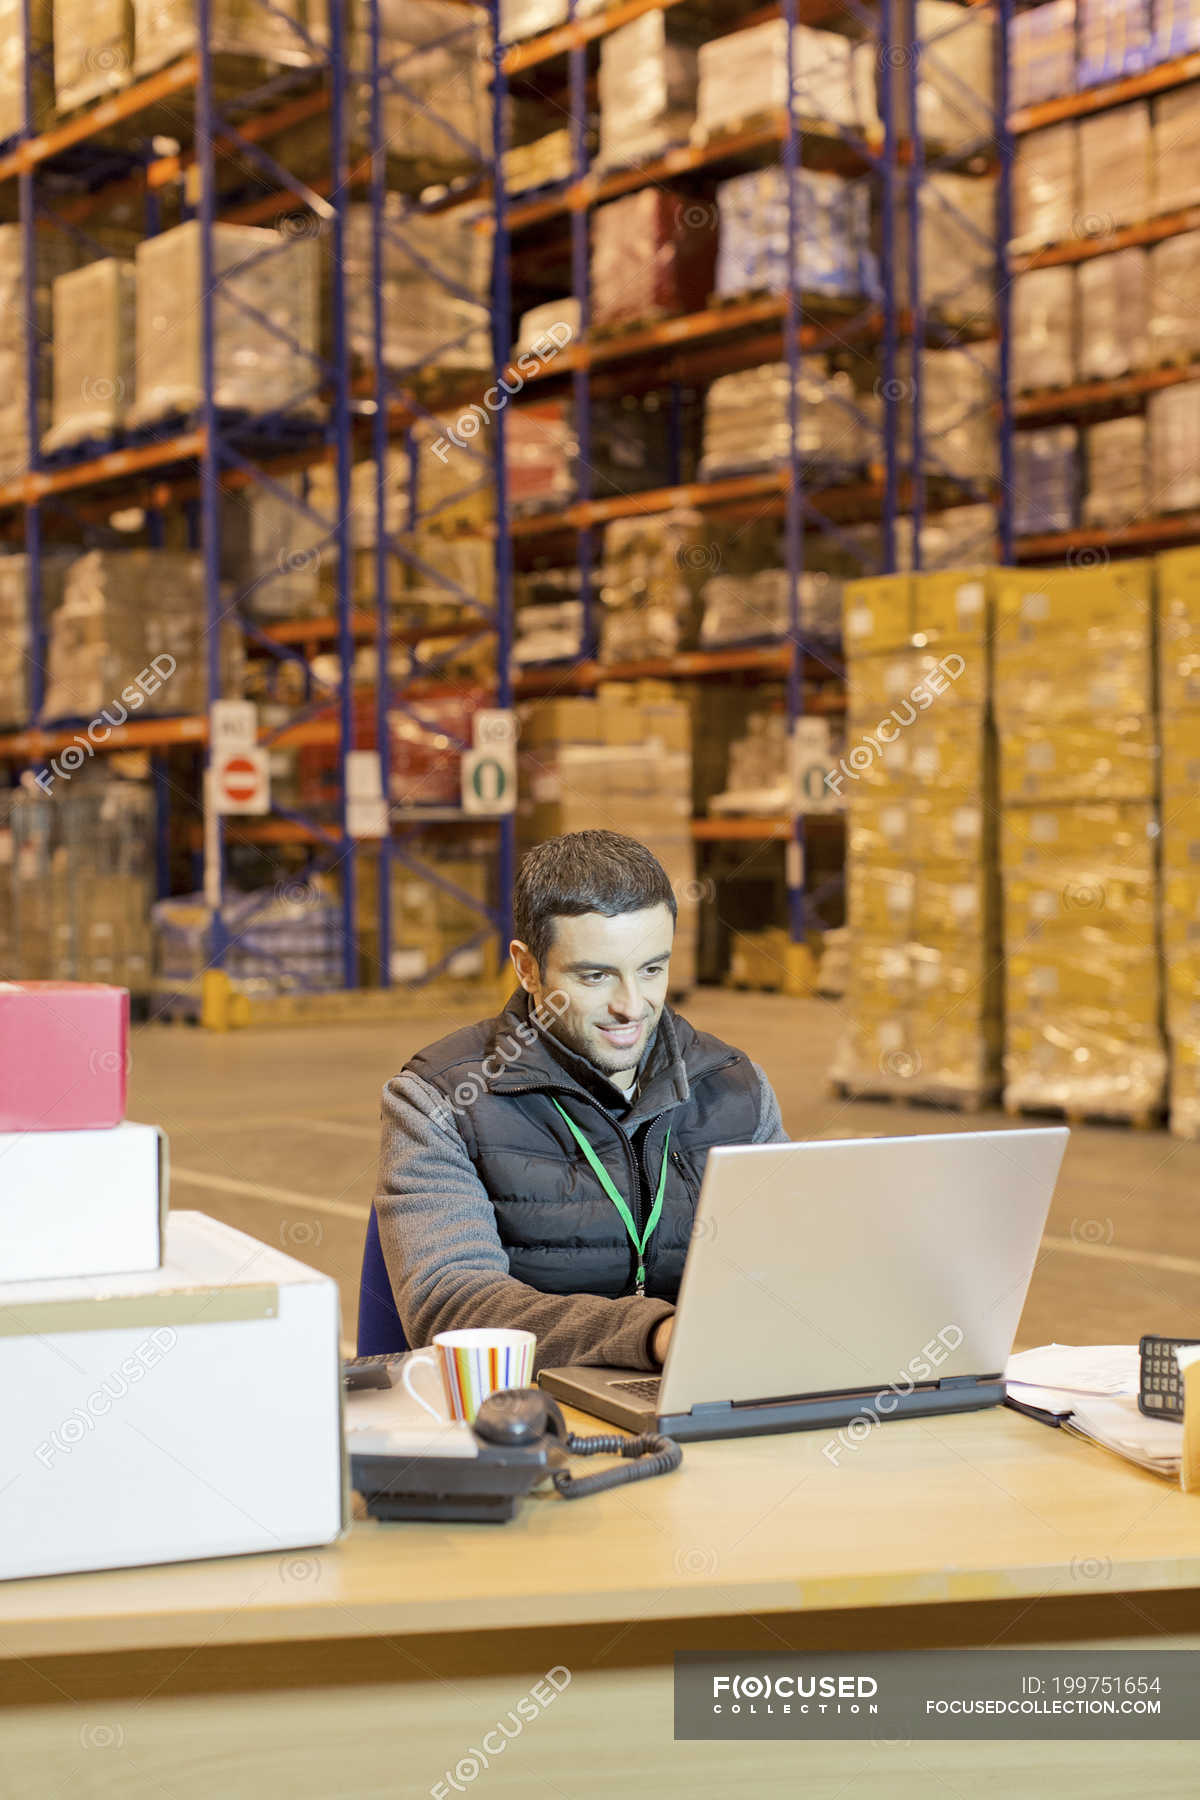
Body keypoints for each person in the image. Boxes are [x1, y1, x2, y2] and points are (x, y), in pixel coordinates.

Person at [375, 829, 788, 1373]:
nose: (631, 1006)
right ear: (527, 967)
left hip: (709, 1391)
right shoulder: (439, 1102)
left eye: (652, 969)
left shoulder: (738, 1088)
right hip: (531, 1418)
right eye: (596, 976)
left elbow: (793, 1268)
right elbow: (452, 1306)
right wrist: (656, 1335)